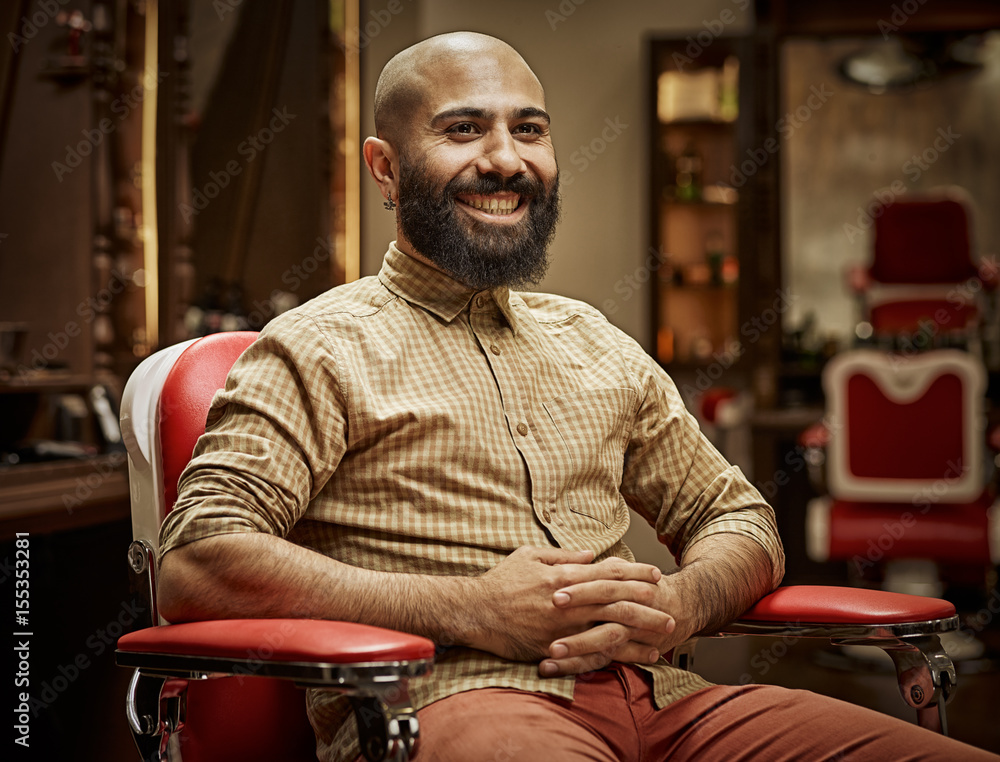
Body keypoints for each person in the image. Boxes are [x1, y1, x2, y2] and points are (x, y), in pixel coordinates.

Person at [157, 32, 997, 762]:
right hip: (454, 706)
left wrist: (677, 606)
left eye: (530, 129)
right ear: (385, 166)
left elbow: (738, 520)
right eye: (463, 130)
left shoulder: (589, 337)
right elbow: (195, 561)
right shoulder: (316, 345)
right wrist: (466, 608)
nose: (505, 159)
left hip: (673, 706)